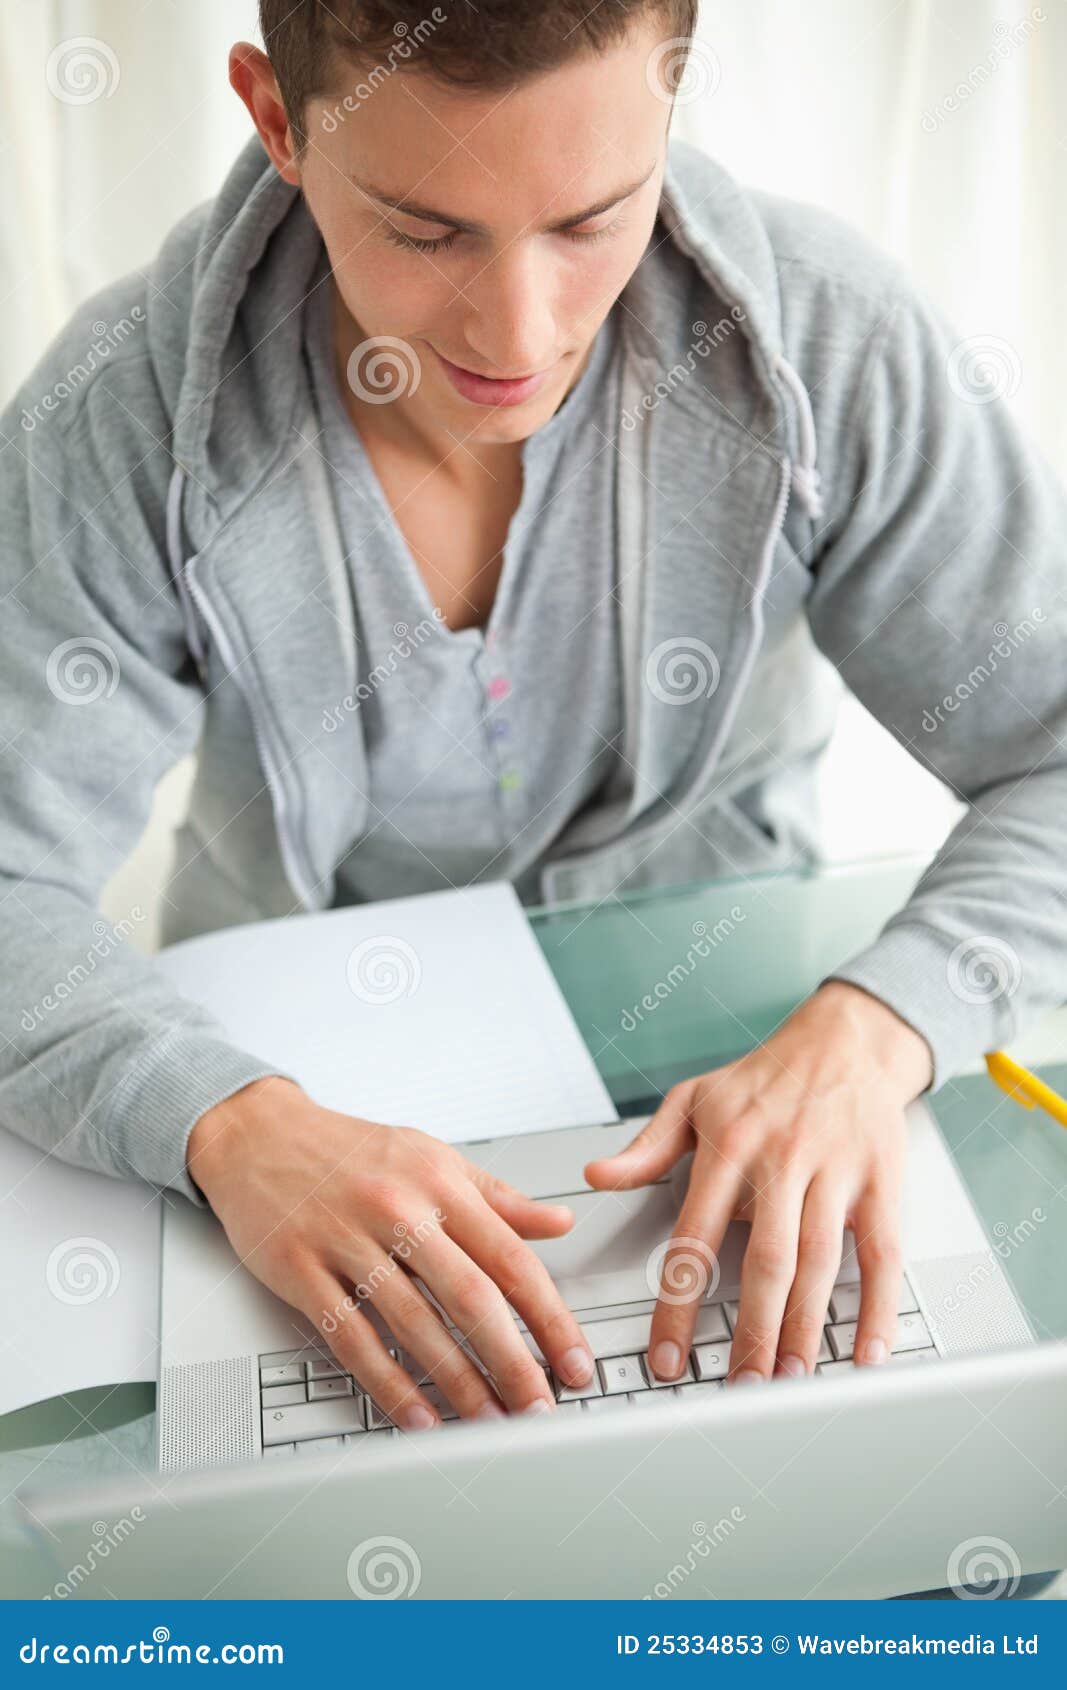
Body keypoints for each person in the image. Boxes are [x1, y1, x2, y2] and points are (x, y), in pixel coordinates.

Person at [2, 0, 1065, 1435]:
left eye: (591, 219)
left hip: (739, 1054)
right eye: (426, 230)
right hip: (293, 1113)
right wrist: (228, 1126)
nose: (520, 331)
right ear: (276, 121)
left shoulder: (831, 340)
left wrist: (877, 1027)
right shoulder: (113, 414)